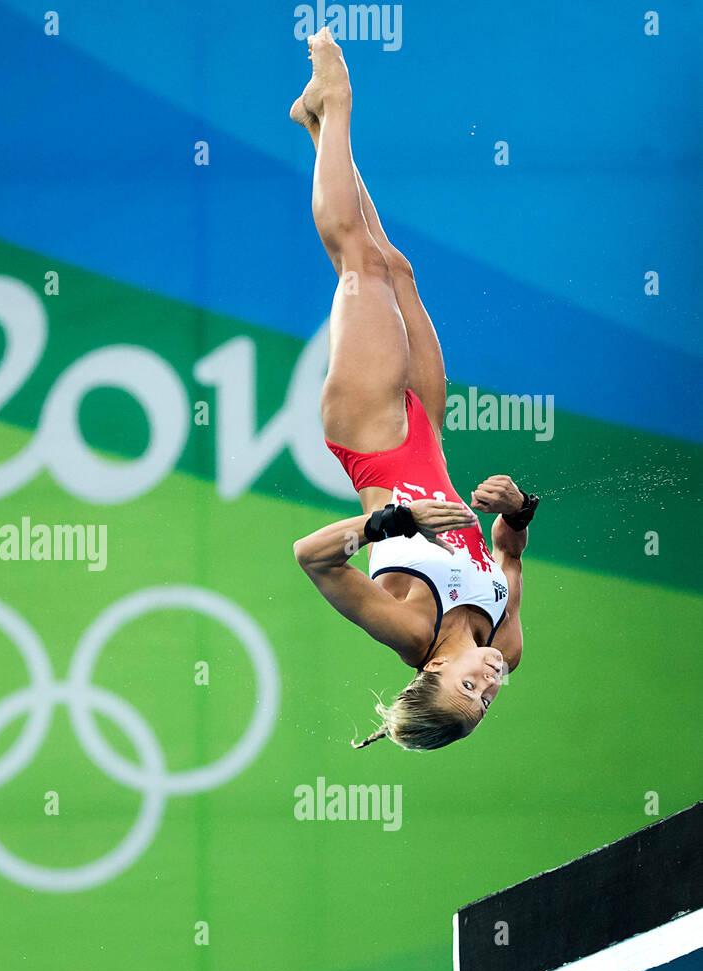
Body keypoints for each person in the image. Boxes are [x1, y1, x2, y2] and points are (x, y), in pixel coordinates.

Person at [288, 29, 539, 751]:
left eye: (468, 687)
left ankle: (335, 104)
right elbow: (512, 555)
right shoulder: (505, 641)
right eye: (486, 702)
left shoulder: (410, 627)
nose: (489, 682)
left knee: (359, 267)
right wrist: (516, 510)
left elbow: (312, 556)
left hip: (369, 438)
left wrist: (386, 526)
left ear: (430, 670)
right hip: (425, 433)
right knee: (396, 269)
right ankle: (315, 124)